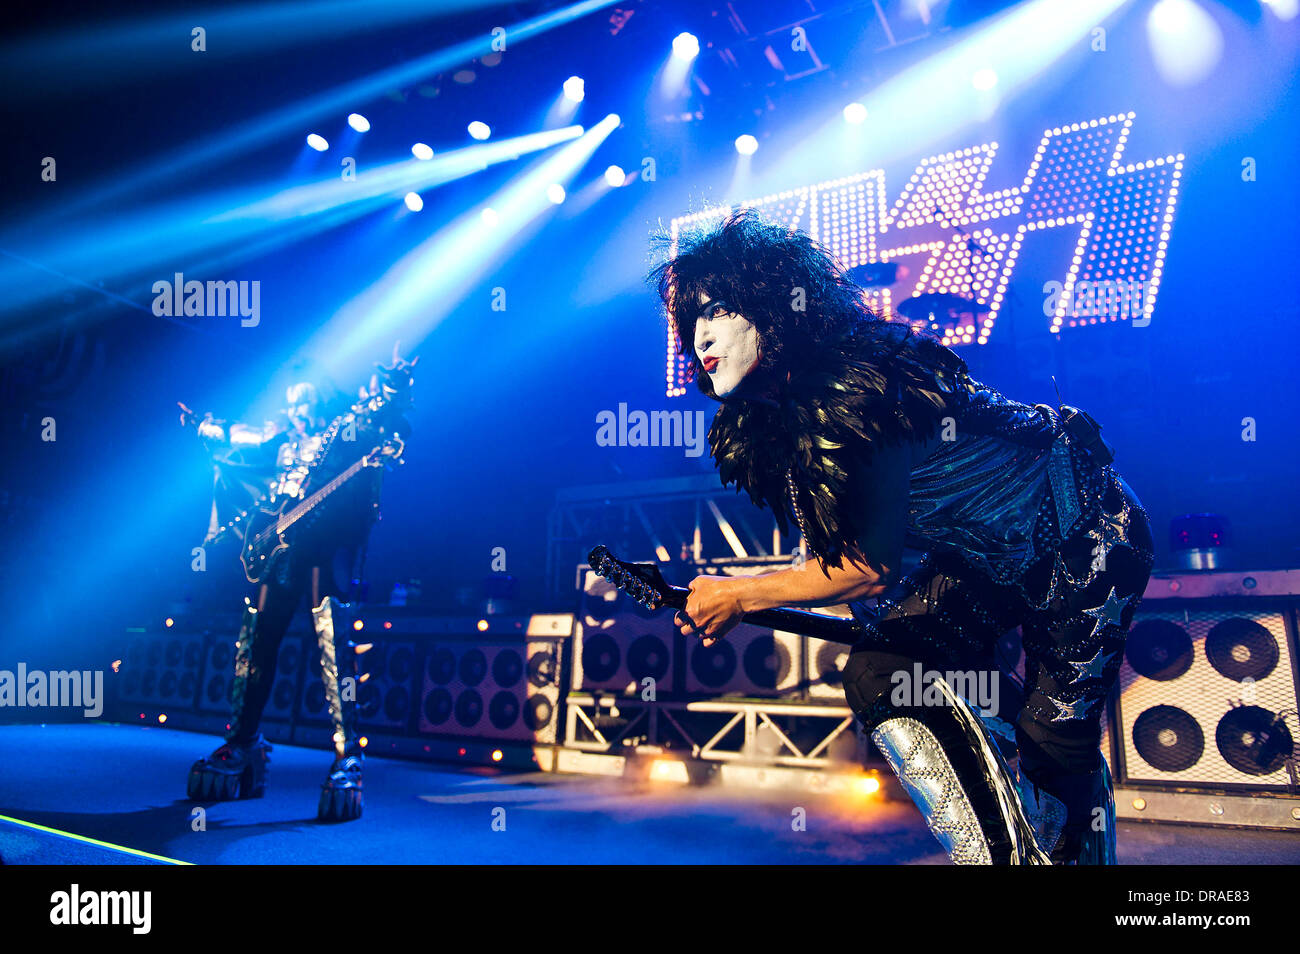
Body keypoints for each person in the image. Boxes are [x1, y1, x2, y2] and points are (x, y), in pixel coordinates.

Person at [648, 210, 1154, 864]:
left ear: (773, 307)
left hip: (1087, 535)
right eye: (690, 321)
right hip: (986, 558)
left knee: (1056, 741)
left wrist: (742, 595)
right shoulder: (775, 424)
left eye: (716, 310)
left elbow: (868, 568)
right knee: (884, 670)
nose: (699, 335)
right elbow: (845, 562)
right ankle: (1008, 849)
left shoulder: (859, 389)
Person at [179, 352, 415, 821]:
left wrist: (394, 380)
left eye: (304, 401)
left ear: (322, 396)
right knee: (254, 643)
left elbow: (384, 413)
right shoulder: (281, 438)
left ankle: (348, 753)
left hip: (325, 547)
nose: (297, 411)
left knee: (334, 646)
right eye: (292, 403)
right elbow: (237, 436)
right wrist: (203, 427)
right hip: (279, 551)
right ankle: (243, 742)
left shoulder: (345, 426)